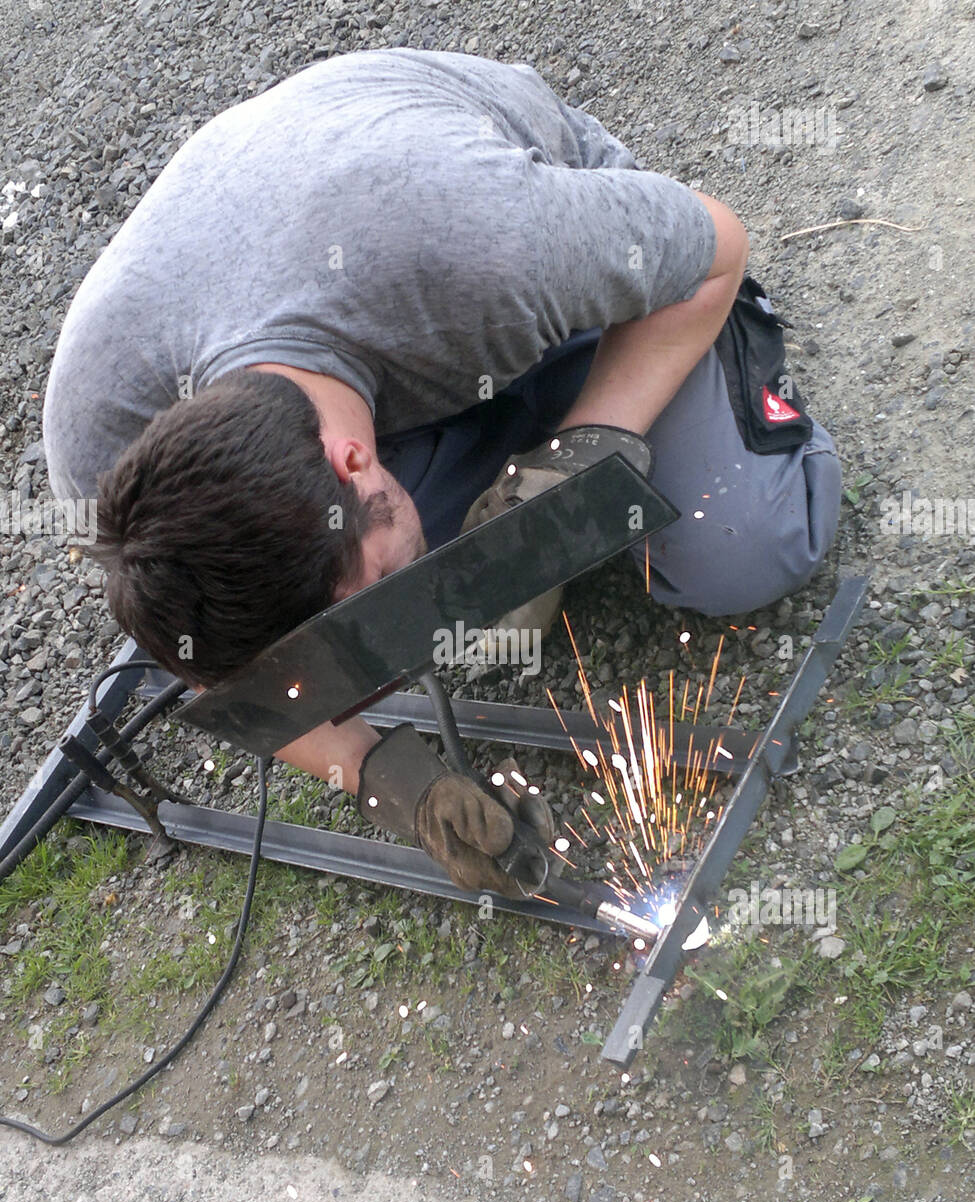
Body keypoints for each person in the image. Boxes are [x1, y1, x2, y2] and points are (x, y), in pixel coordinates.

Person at [42, 48, 842, 897]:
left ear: (352, 465)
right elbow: (220, 663)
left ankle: (608, 421)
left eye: (379, 591)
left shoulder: (485, 245)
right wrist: (379, 772)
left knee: (743, 549)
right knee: (425, 586)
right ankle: (495, 483)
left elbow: (715, 245)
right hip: (382, 348)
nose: (383, 671)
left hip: (531, 289)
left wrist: (590, 446)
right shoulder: (113, 462)